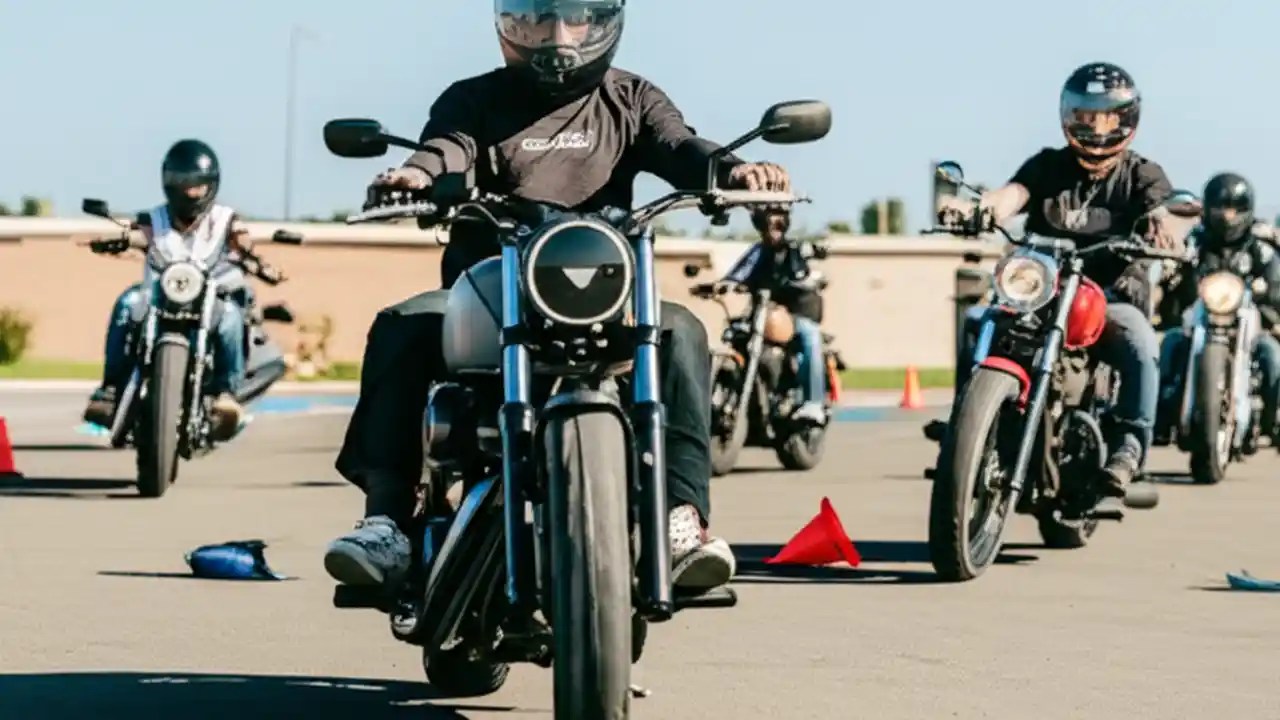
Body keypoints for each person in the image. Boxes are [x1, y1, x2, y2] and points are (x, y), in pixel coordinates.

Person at [323, 0, 792, 593]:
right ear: (511, 23)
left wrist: (734, 172)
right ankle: (388, 519)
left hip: (606, 297)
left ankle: (680, 521)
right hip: (490, 295)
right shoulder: (473, 99)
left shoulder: (631, 99)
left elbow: (680, 146)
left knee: (683, 331)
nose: (557, 36)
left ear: (602, 22)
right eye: (539, 19)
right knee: (405, 323)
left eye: (575, 18)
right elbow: (446, 147)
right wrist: (415, 175)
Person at [924, 62, 1180, 497]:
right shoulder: (1047, 166)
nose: (1096, 128)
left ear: (1127, 120)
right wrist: (976, 210)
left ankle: (1129, 447)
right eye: (1086, 116)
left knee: (1140, 341)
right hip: (1041, 291)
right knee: (978, 322)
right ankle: (964, 425)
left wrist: (1165, 226)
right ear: (1068, 116)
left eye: (1107, 118)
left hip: (1110, 296)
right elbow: (1012, 195)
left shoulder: (1142, 174)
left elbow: (1165, 211)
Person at [82, 139, 251, 441]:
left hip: (210, 295)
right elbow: (137, 232)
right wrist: (120, 239)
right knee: (126, 303)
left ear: (211, 185)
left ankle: (226, 392)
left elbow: (242, 237)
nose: (190, 192)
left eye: (197, 186)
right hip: (158, 295)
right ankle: (110, 389)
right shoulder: (154, 218)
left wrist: (249, 251)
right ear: (169, 182)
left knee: (231, 318)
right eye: (183, 183)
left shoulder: (225, 219)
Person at [1154, 172, 1280, 446]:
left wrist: (1270, 302)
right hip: (1201, 319)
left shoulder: (1259, 245)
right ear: (1208, 209)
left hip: (1249, 321)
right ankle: (1160, 420)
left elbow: (1275, 281)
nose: (1227, 217)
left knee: (1272, 355)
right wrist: (1172, 277)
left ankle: (1274, 422)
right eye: (1221, 209)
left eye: (1234, 210)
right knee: (1170, 345)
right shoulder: (1196, 242)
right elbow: (1175, 273)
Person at [719, 207, 828, 423]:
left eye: (777, 225)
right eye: (766, 225)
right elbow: (739, 272)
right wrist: (722, 285)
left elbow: (803, 267)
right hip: (764, 313)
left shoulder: (794, 249)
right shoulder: (757, 251)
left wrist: (812, 263)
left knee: (810, 337)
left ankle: (814, 404)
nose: (772, 231)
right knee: (737, 333)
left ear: (785, 225)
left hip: (796, 313)